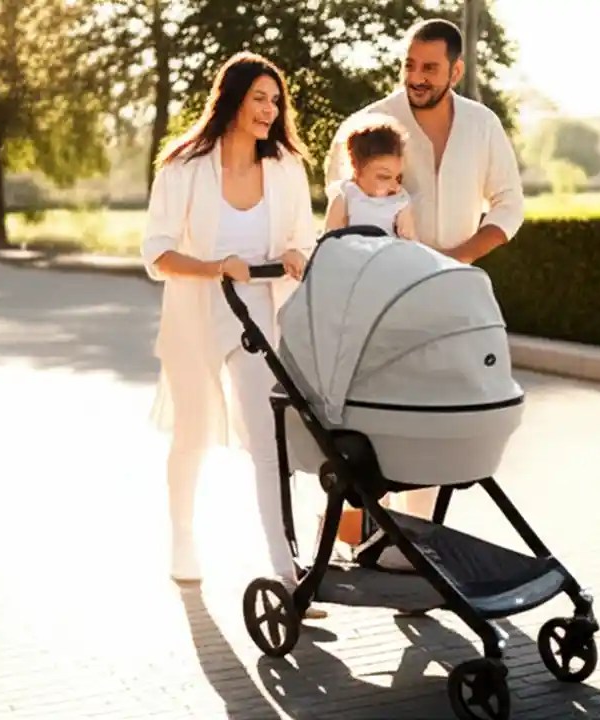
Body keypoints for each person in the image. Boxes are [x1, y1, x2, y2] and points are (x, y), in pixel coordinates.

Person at [323, 18, 526, 569]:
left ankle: (413, 547)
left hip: (449, 299)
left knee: (438, 416)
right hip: (381, 304)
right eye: (410, 64)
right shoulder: (370, 124)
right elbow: (338, 192)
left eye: (430, 67)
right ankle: (364, 525)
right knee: (382, 416)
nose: (416, 76)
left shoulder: (483, 126)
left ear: (456, 69)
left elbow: (509, 205)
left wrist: (455, 259)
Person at [140, 51, 325, 617]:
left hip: (261, 317)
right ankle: (182, 535)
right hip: (198, 311)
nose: (270, 109)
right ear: (233, 99)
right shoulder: (183, 166)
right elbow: (157, 254)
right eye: (260, 98)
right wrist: (217, 266)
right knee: (193, 434)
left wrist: (297, 251)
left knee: (266, 439)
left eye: (276, 100)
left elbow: (304, 237)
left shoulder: (287, 168)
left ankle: (285, 569)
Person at [323, 114, 417, 239]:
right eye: (384, 177)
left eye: (398, 177)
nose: (394, 186)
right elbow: (331, 238)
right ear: (356, 167)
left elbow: (409, 241)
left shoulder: (399, 200)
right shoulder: (345, 195)